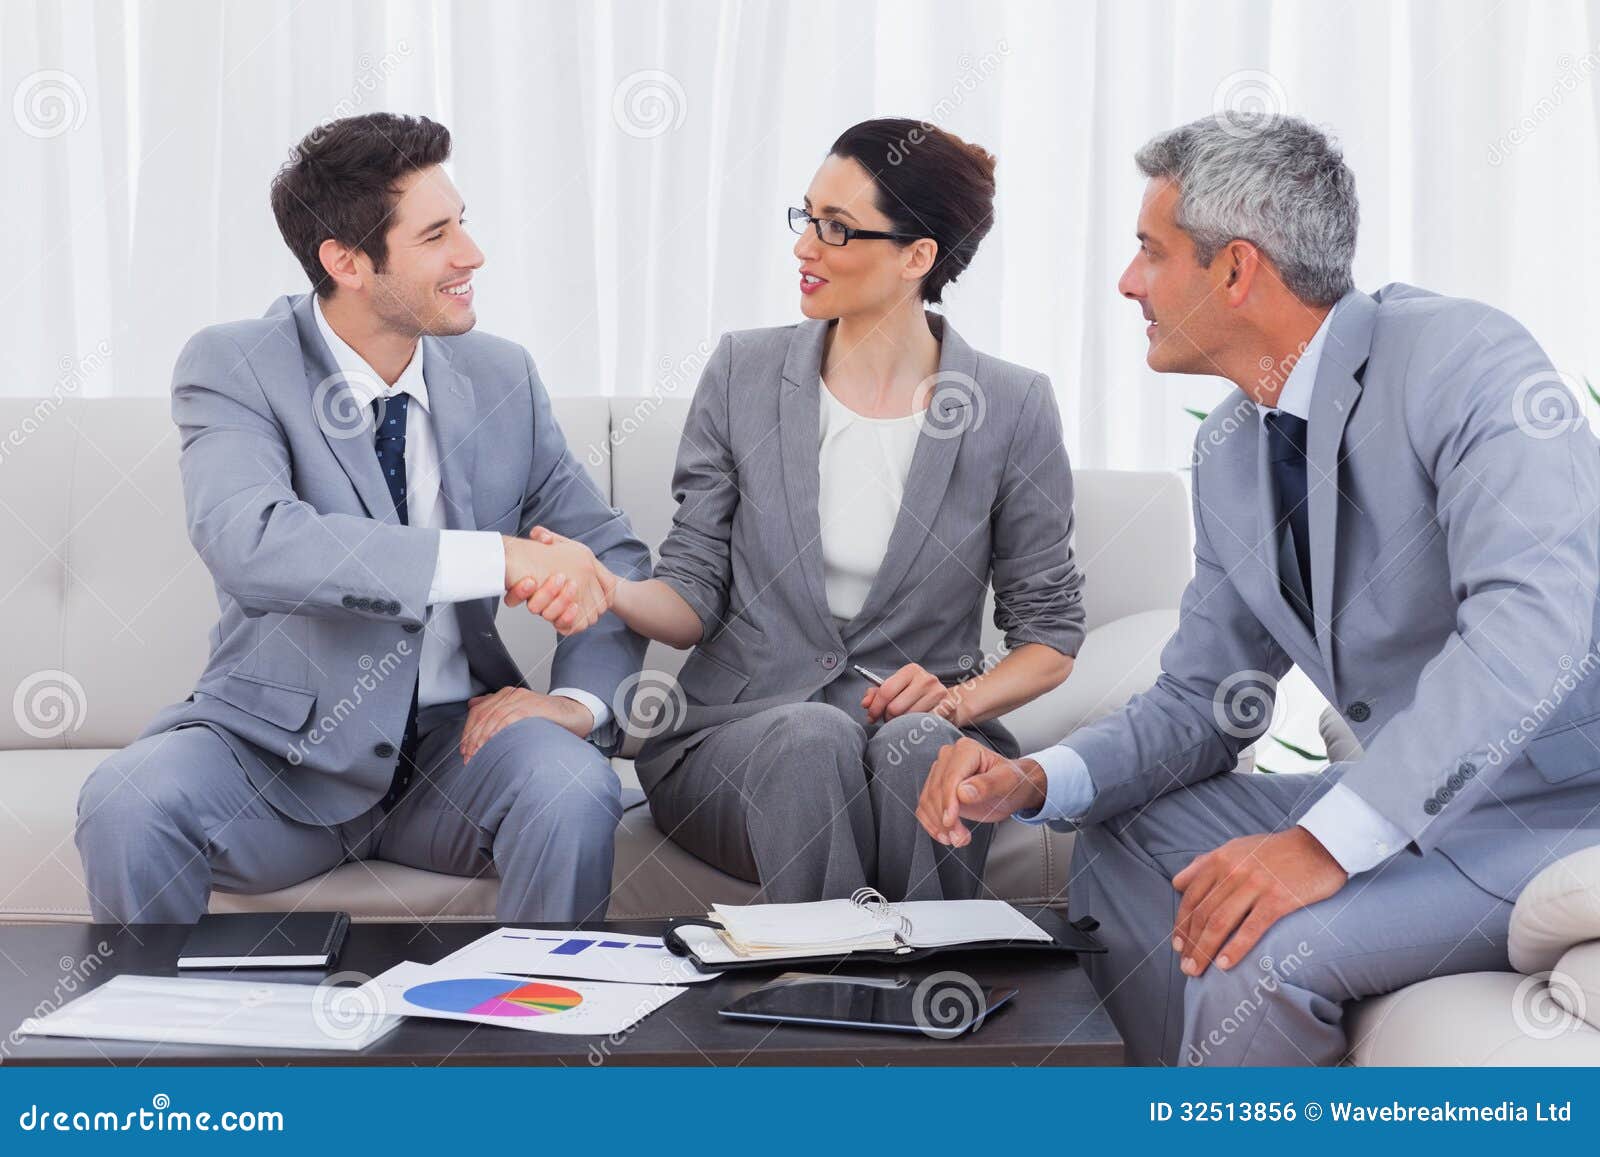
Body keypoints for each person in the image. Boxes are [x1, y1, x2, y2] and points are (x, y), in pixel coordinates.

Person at [918, 113, 1600, 1065]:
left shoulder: (1467, 363)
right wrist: (1038, 778)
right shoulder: (1232, 447)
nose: (1127, 282)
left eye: (1150, 253)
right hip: (1412, 799)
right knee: (1123, 831)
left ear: (1236, 270)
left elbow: (1530, 628)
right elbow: (1203, 701)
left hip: (1557, 810)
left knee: (1260, 947)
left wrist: (1321, 848)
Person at [75, 113, 650, 925]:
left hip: (463, 746)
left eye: (465, 223)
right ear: (345, 262)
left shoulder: (501, 376)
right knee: (127, 801)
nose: (472, 255)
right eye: (437, 234)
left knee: (571, 785)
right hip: (274, 758)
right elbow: (254, 542)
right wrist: (497, 558)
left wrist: (581, 705)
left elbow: (609, 554)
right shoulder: (236, 364)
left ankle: (535, 1045)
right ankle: (161, 1047)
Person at [525, 118, 1084, 903]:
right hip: (737, 739)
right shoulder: (742, 373)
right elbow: (690, 598)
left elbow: (1050, 636)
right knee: (812, 737)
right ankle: (831, 993)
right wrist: (607, 585)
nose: (804, 247)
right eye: (807, 217)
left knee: (924, 746)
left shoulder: (1011, 406)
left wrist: (959, 701)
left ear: (917, 257)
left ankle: (924, 994)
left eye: (837, 229)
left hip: (914, 738)